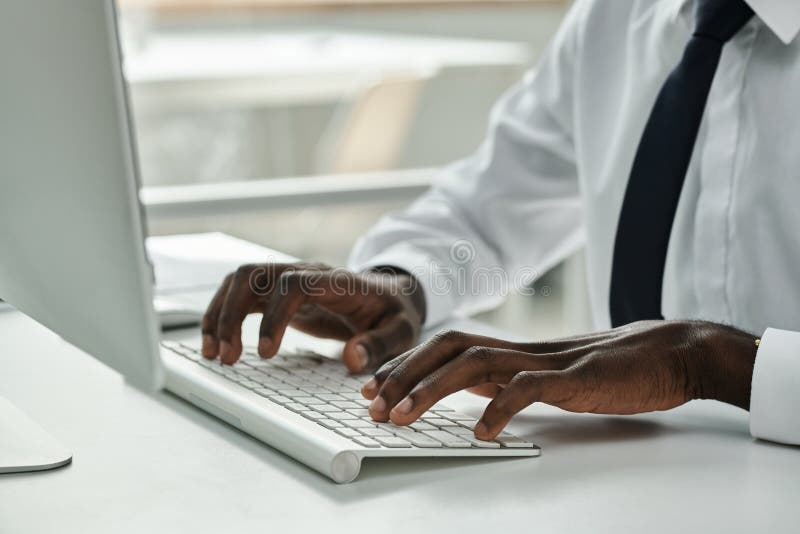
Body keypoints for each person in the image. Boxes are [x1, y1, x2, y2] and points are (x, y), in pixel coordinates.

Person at [201, 0, 800, 446]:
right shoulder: (616, 15)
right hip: (633, 474)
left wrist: (713, 362)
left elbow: (703, 361)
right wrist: (404, 283)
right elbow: (487, 208)